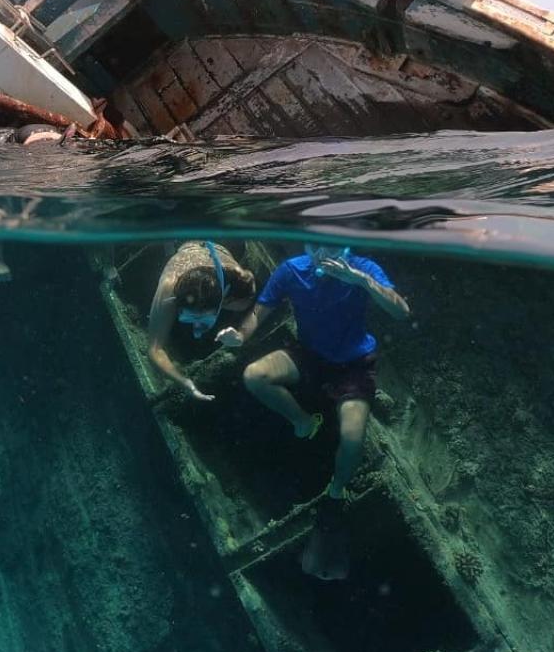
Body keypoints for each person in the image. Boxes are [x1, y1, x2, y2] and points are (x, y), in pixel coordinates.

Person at [216, 243, 409, 579]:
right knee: (254, 375)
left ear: (346, 246)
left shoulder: (365, 267)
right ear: (307, 245)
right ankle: (304, 422)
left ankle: (336, 491)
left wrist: (361, 280)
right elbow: (260, 312)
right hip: (307, 355)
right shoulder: (292, 270)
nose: (324, 254)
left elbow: (401, 312)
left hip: (353, 367)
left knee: (352, 439)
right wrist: (239, 335)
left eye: (333, 246)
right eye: (316, 246)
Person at [148, 241, 256, 402]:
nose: (194, 323)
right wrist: (185, 382)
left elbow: (253, 305)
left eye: (200, 316)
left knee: (242, 306)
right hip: (188, 247)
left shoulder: (239, 286)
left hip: (220, 250)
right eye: (188, 316)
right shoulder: (169, 286)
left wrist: (241, 334)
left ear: (222, 302)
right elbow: (154, 350)